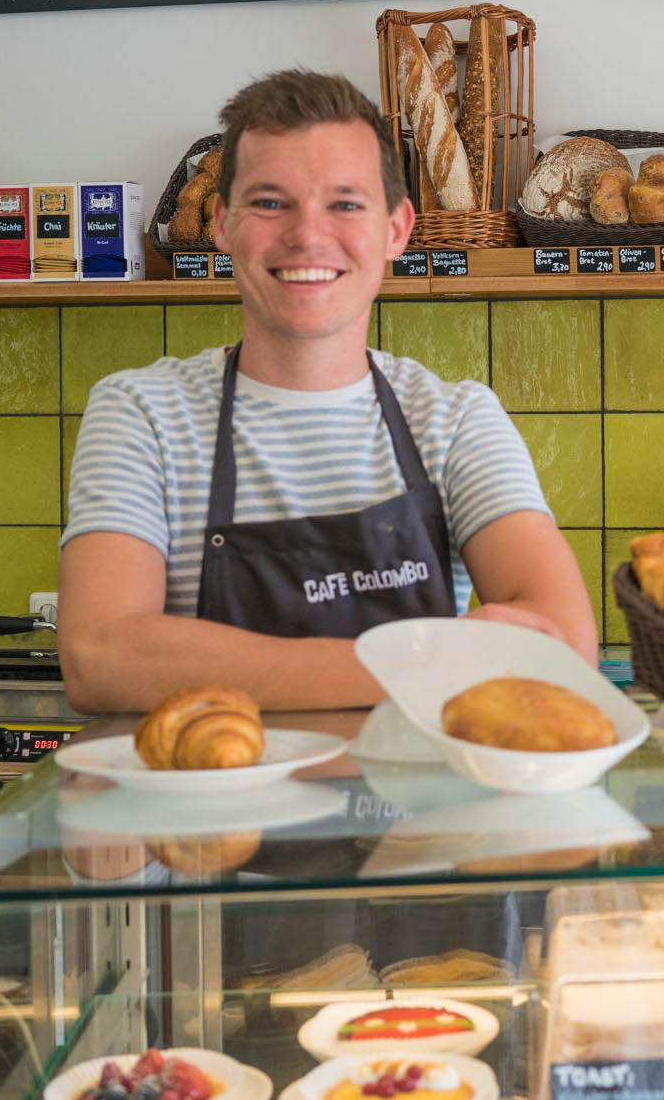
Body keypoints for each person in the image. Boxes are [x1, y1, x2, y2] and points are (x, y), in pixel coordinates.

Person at [58, 70, 595, 713]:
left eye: (345, 204)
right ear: (222, 226)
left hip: (412, 783)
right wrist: (432, 663)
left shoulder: (454, 420)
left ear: (396, 230)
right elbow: (100, 656)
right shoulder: (141, 413)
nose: (308, 235)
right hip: (211, 780)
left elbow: (564, 644)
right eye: (269, 202)